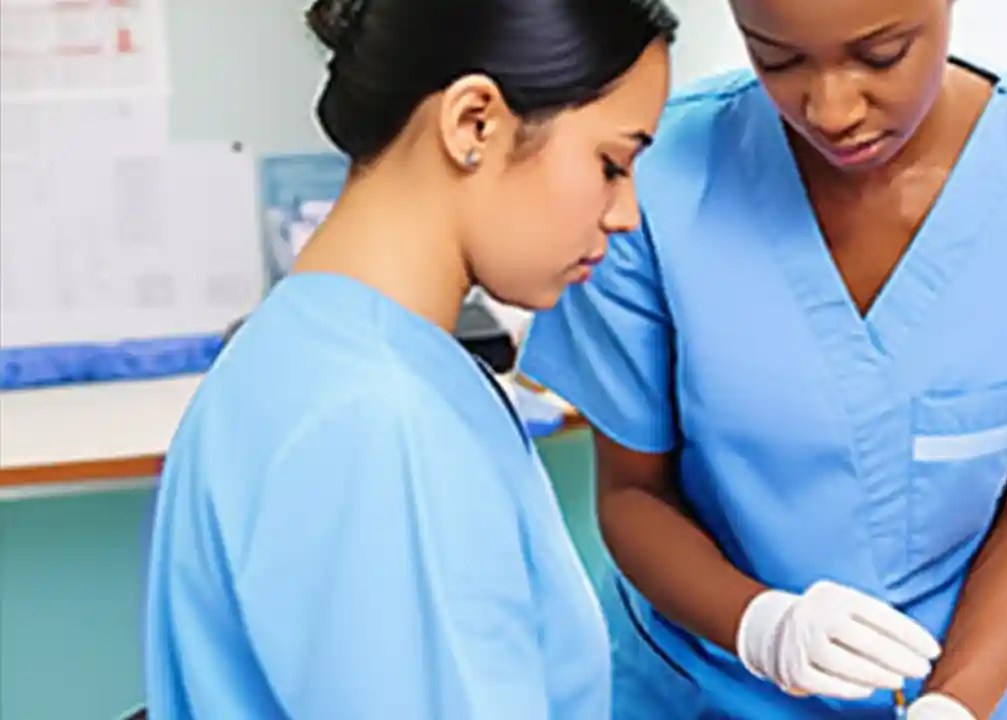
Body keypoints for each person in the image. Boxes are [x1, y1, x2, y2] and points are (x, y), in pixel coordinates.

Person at [519, 0, 1007, 718]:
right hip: (704, 690)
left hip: (976, 681)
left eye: (881, 56)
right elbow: (633, 494)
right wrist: (761, 627)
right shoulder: (650, 177)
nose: (832, 110)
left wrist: (957, 703)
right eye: (777, 59)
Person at [144, 0, 675, 717]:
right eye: (612, 165)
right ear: (473, 123)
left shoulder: (304, 350)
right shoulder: (380, 420)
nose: (626, 214)